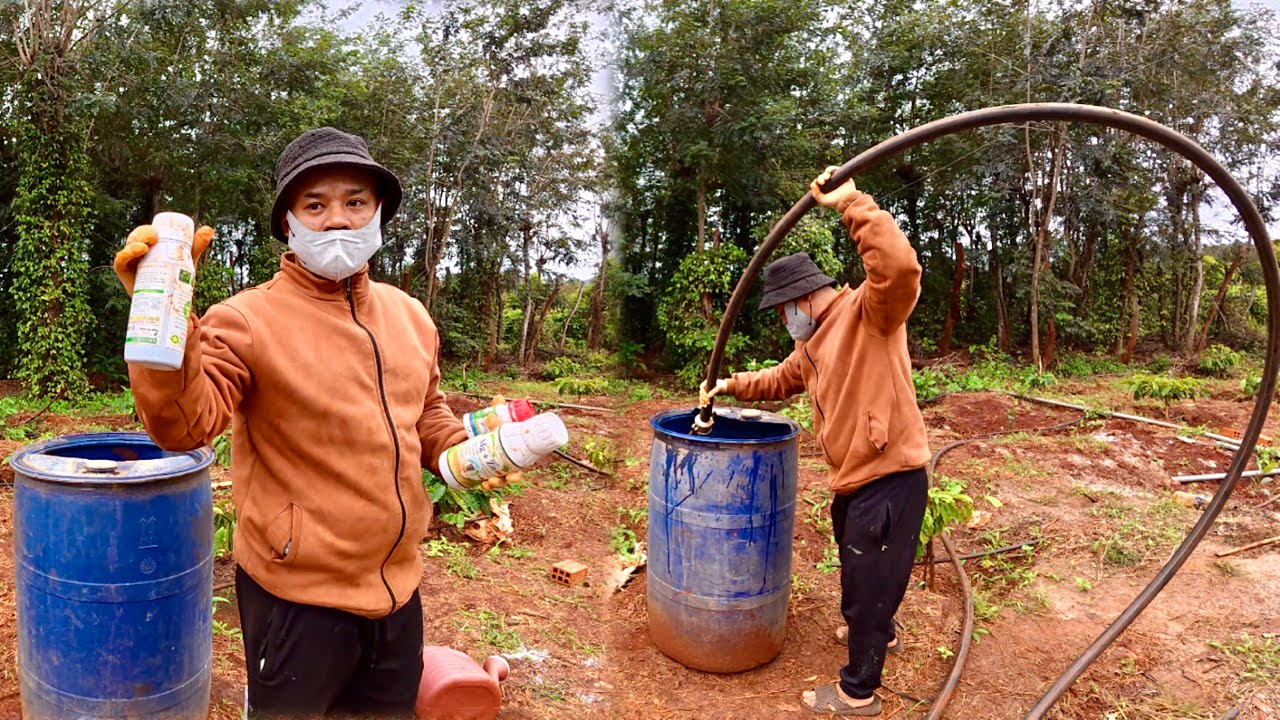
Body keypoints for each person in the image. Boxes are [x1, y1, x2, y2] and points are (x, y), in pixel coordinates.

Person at [114, 127, 514, 718]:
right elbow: (185, 426)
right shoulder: (245, 321)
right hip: (295, 598)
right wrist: (165, 341)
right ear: (289, 225)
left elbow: (425, 411)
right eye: (315, 205)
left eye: (355, 202)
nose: (337, 222)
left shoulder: (411, 317)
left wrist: (468, 451)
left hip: (398, 591)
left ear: (378, 214)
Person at [699, 167, 931, 716]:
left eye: (783, 311)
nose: (783, 321)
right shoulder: (814, 345)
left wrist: (854, 205)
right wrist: (727, 385)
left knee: (865, 584)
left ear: (804, 298)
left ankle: (858, 692)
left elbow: (899, 267)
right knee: (864, 573)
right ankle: (881, 628)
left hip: (891, 476)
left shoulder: (870, 314)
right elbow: (779, 380)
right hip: (854, 479)